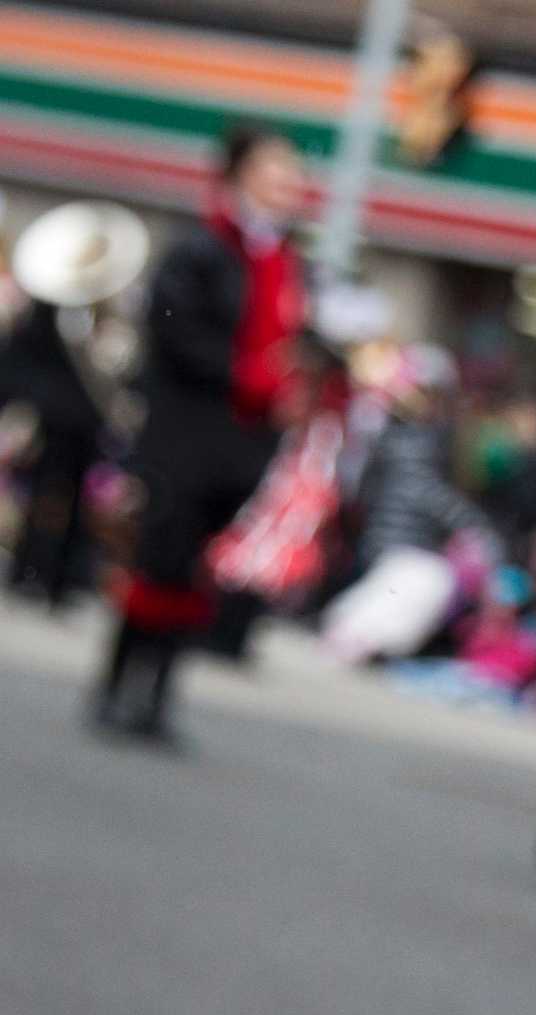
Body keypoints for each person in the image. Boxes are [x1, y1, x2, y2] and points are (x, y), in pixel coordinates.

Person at [93, 121, 305, 742]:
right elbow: (173, 331)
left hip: (240, 441)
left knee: (195, 570)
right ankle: (117, 687)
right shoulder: (202, 248)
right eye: (278, 171)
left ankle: (158, 696)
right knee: (159, 557)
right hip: (186, 432)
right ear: (241, 176)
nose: (291, 184)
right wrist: (248, 373)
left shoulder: (287, 259)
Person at [319, 345, 481, 665]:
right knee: (422, 581)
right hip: (400, 536)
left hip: (390, 533)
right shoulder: (415, 439)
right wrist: (470, 523)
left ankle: (360, 636)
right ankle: (359, 636)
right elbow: (423, 491)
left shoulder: (404, 435)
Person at [1, 287, 111, 609]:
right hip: (54, 413)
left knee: (80, 500)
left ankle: (64, 577)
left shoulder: (105, 310)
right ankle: (30, 569)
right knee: (43, 494)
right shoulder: (49, 308)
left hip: (88, 416)